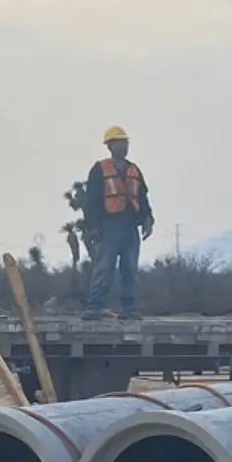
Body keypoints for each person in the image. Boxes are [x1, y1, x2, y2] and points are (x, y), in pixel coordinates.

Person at [81, 125, 155, 319]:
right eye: (121, 143)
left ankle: (128, 308)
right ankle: (94, 307)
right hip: (109, 225)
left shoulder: (134, 169)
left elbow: (142, 197)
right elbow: (92, 200)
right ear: (110, 146)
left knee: (130, 267)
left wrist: (148, 219)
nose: (125, 146)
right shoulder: (100, 169)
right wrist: (94, 227)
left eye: (126, 143)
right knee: (104, 266)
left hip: (131, 225)